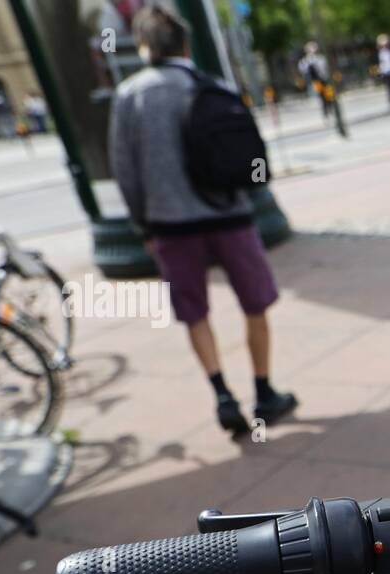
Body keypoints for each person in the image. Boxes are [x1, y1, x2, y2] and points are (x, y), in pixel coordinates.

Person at [109, 4, 295, 435]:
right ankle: (264, 391)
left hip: (171, 225)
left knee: (194, 312)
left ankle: (222, 394)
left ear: (144, 47)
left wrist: (144, 227)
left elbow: (126, 173)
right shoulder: (213, 86)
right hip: (229, 215)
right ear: (185, 43)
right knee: (255, 303)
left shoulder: (129, 96)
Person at [298, 41, 331, 116]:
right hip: (316, 81)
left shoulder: (320, 58)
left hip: (324, 79)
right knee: (321, 96)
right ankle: (325, 110)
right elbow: (303, 70)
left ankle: (328, 108)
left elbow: (325, 68)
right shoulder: (306, 60)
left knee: (328, 95)